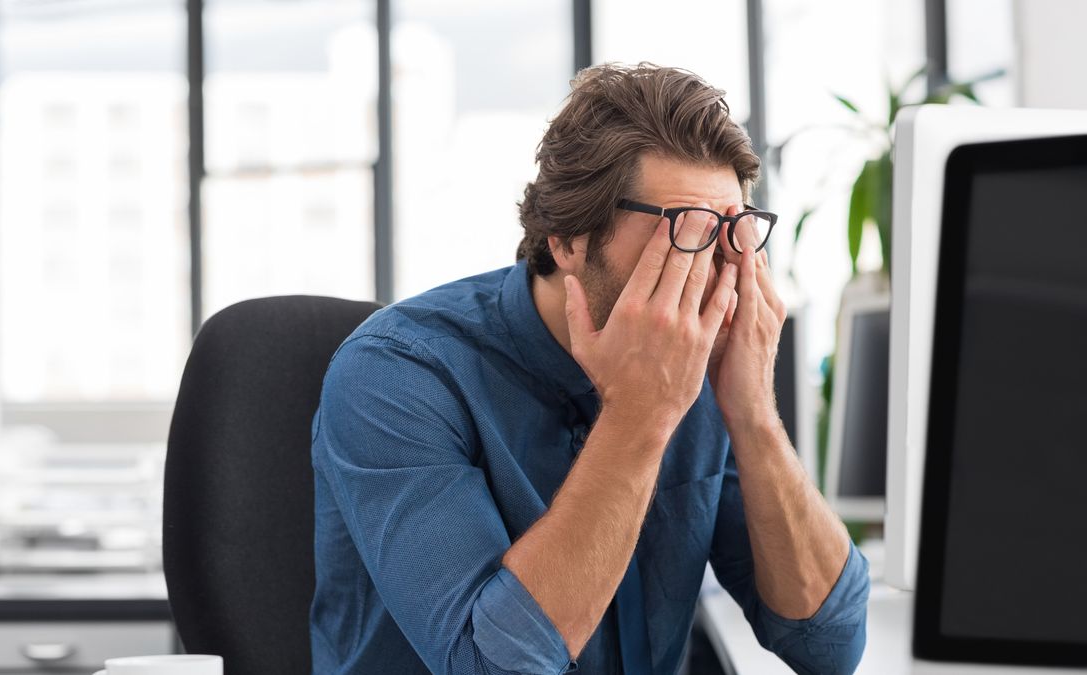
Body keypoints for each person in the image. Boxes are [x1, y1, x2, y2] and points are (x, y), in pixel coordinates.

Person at [310, 62, 869, 674]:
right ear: (568, 239)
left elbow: (829, 646)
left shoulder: (708, 368)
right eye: (686, 233)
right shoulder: (397, 375)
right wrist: (640, 414)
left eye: (733, 230)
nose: (716, 270)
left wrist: (753, 412)